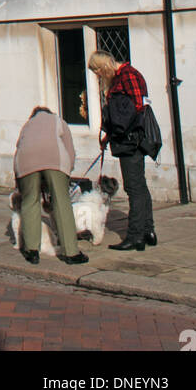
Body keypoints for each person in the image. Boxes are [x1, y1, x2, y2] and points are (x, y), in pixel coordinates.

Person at [88, 51, 157, 251]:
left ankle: (136, 236)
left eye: (98, 72)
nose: (99, 77)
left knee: (133, 188)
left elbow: (136, 108)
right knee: (139, 186)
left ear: (104, 66)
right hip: (126, 139)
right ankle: (147, 230)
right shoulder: (122, 77)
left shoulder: (128, 76)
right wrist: (108, 136)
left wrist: (117, 130)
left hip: (131, 141)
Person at [13, 105, 88, 266]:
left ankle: (32, 251)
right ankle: (71, 253)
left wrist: (18, 182)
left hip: (26, 162)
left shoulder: (27, 126)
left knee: (30, 202)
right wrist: (66, 174)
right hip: (55, 159)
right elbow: (70, 150)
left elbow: (18, 150)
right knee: (61, 201)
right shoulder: (58, 121)